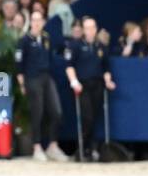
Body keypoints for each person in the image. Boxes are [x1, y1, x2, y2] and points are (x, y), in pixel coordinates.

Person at [15, 10, 68, 161]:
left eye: (39, 20)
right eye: (34, 20)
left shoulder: (46, 38)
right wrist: (22, 84)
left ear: (43, 22)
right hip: (32, 79)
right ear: (30, 22)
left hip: (47, 77)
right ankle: (37, 147)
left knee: (56, 112)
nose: (37, 23)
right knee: (37, 113)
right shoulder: (24, 40)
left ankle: (52, 146)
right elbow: (19, 65)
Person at [63, 16, 117, 161]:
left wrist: (108, 80)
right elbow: (69, 65)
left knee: (95, 116)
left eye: (92, 27)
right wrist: (74, 82)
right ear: (83, 30)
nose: (90, 31)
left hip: (98, 84)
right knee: (87, 116)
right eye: (87, 28)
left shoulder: (100, 46)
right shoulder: (75, 46)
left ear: (96, 29)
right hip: (82, 85)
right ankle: (83, 147)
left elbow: (106, 67)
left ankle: (91, 148)